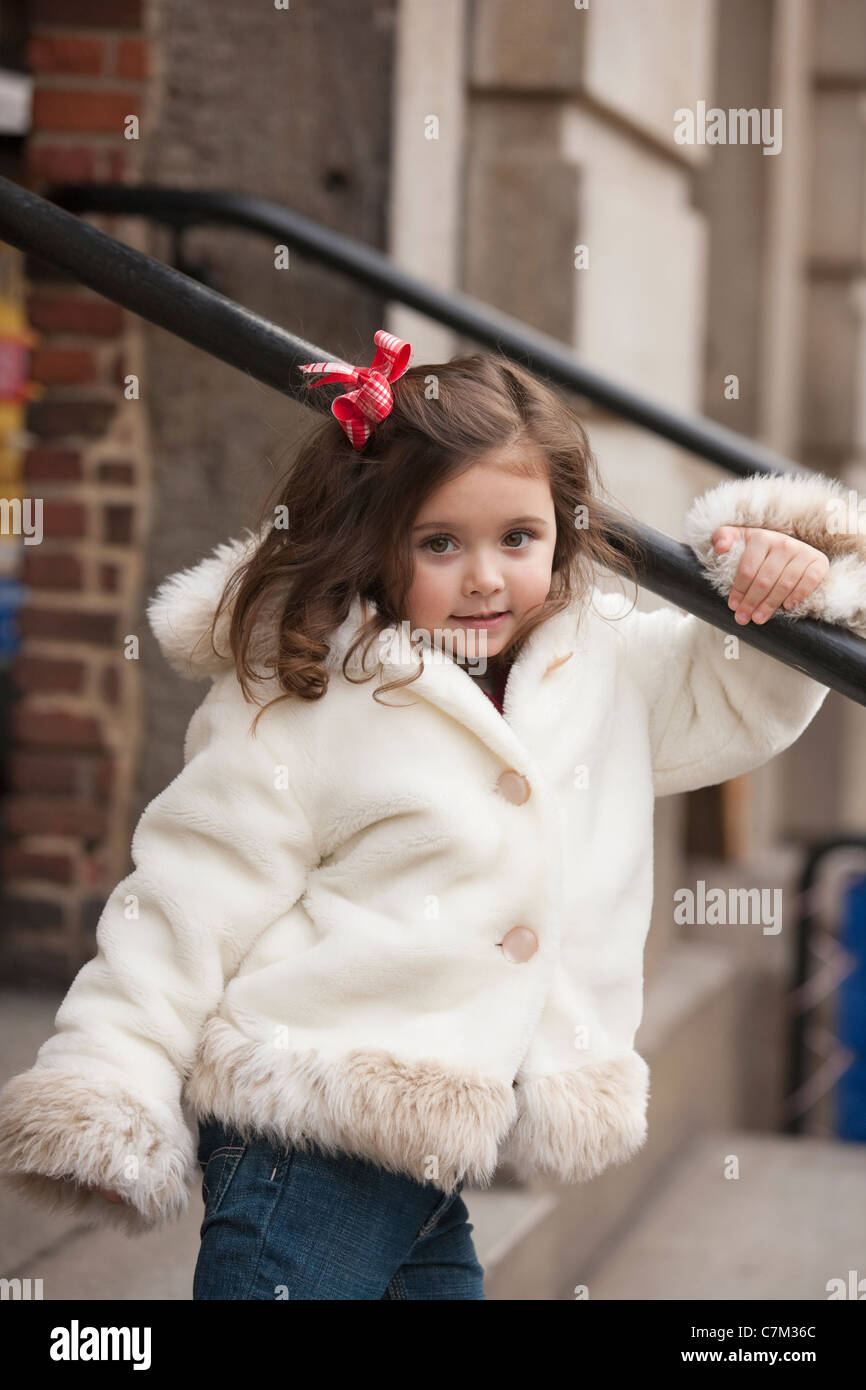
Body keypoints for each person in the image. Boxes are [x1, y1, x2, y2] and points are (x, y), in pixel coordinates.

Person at [0, 331, 864, 1301]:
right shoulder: (310, 684)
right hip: (302, 1140)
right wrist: (113, 1066)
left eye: (517, 538)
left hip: (432, 1160)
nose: (485, 577)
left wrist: (787, 579)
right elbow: (191, 886)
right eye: (439, 543)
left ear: (562, 530)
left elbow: (731, 697)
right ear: (376, 536)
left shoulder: (598, 669)